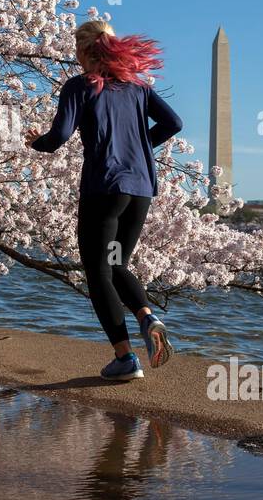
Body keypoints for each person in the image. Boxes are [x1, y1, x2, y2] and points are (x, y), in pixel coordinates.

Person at [26, 20, 183, 381]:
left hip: (104, 190)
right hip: (139, 190)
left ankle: (126, 358)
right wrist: (140, 147)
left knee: (98, 272)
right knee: (115, 263)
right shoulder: (138, 89)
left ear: (84, 51)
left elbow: (59, 137)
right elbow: (173, 122)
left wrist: (36, 141)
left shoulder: (81, 87)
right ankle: (148, 317)